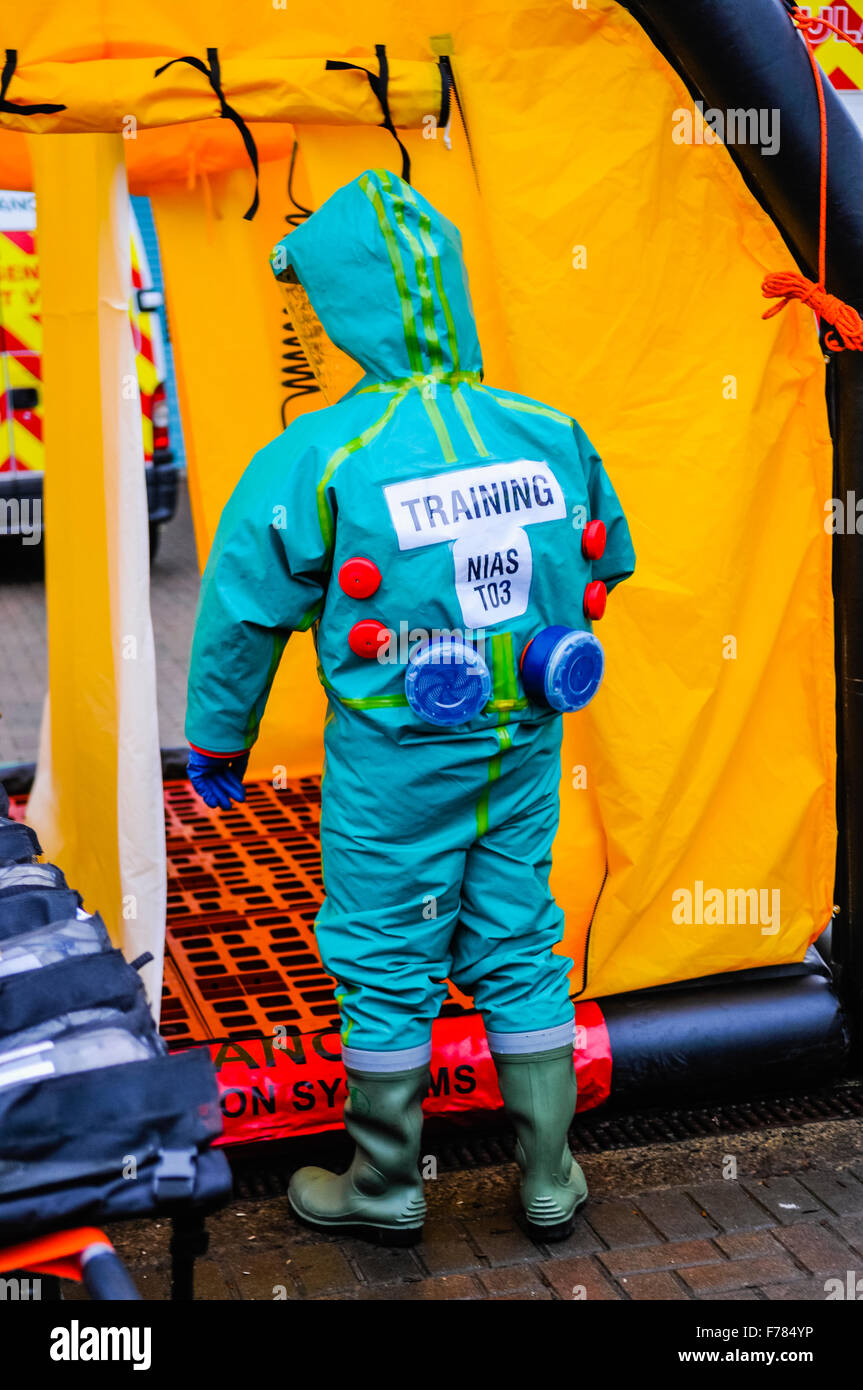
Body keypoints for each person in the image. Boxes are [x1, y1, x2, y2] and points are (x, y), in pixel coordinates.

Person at [185, 168, 635, 1246]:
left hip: (396, 761)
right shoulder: (546, 428)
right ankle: (548, 1176)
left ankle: (386, 1184)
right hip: (522, 740)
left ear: (344, 308)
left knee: (385, 950)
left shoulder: (318, 455)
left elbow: (244, 611)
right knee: (517, 938)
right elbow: (609, 558)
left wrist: (217, 740)